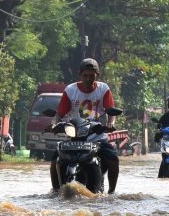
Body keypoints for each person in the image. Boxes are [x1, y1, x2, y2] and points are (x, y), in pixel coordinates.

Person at [51, 57, 119, 193]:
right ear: (80, 75)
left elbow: (111, 111)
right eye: (85, 75)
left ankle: (112, 192)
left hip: (97, 136)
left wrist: (110, 123)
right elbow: (59, 114)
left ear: (97, 75)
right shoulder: (70, 90)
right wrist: (54, 124)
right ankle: (55, 191)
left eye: (92, 76)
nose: (88, 79)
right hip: (74, 136)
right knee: (55, 161)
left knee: (113, 160)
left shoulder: (103, 89)